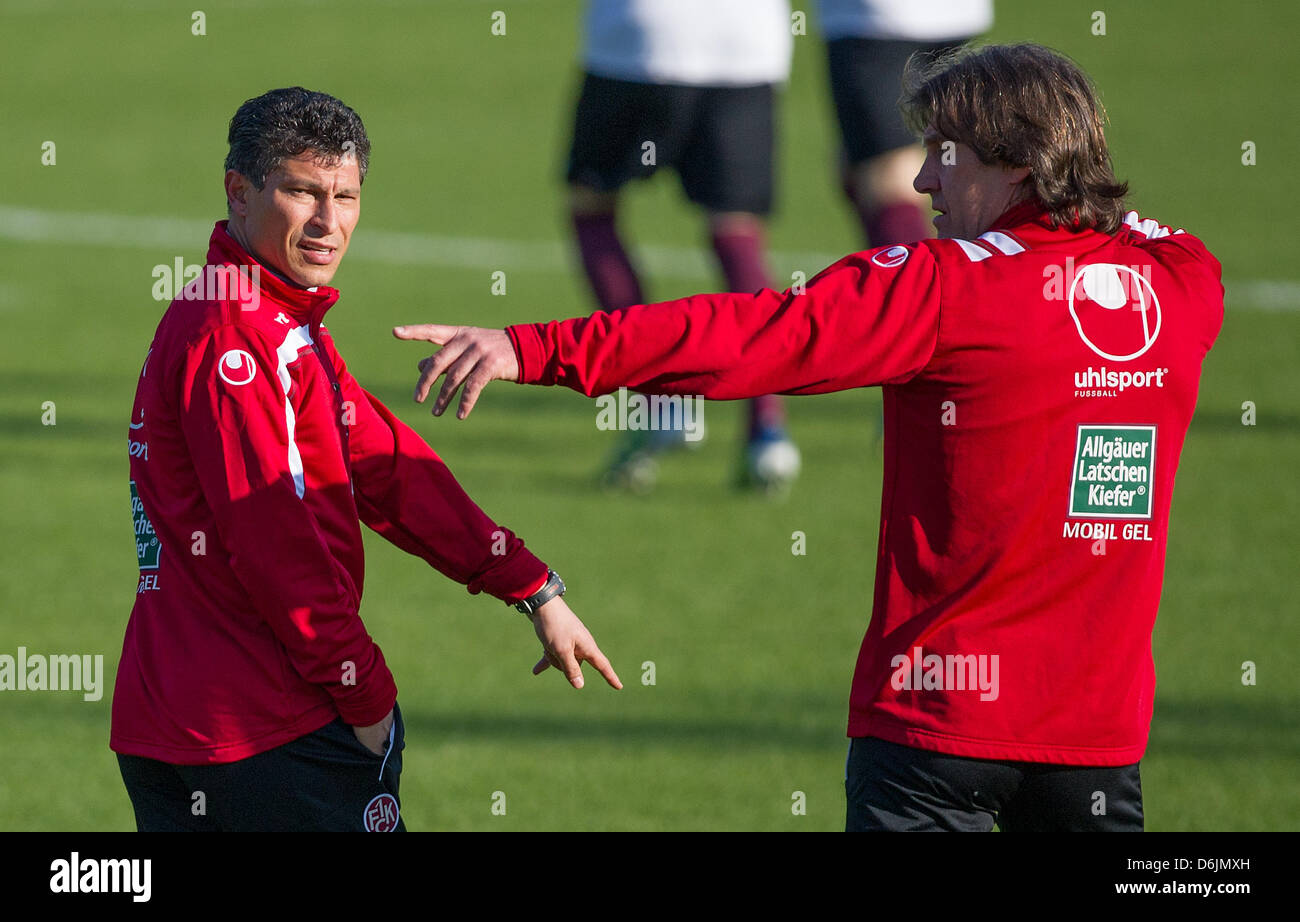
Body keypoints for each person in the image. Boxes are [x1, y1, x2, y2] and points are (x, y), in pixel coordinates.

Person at [394, 44, 1224, 831]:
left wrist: (533, 347)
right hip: (1097, 747)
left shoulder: (944, 288)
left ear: (1015, 160)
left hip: (933, 733)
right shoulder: (1182, 285)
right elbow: (1141, 237)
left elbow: (742, 337)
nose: (925, 178)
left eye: (945, 151)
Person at [113, 87, 621, 833]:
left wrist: (531, 586)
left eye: (345, 196)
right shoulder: (239, 342)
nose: (328, 223)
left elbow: (384, 468)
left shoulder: (270, 321)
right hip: (264, 730)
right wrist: (368, 697)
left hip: (179, 720)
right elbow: (276, 549)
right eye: (301, 192)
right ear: (239, 191)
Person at [565, 0, 800, 492]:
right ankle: (768, 433)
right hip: (745, 40)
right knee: (736, 229)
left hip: (639, 40)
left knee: (591, 206)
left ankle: (659, 399)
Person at [820, 0, 992, 248]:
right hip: (958, 16)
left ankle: (924, 285)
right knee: (859, 165)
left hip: (874, 21)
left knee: (887, 173)